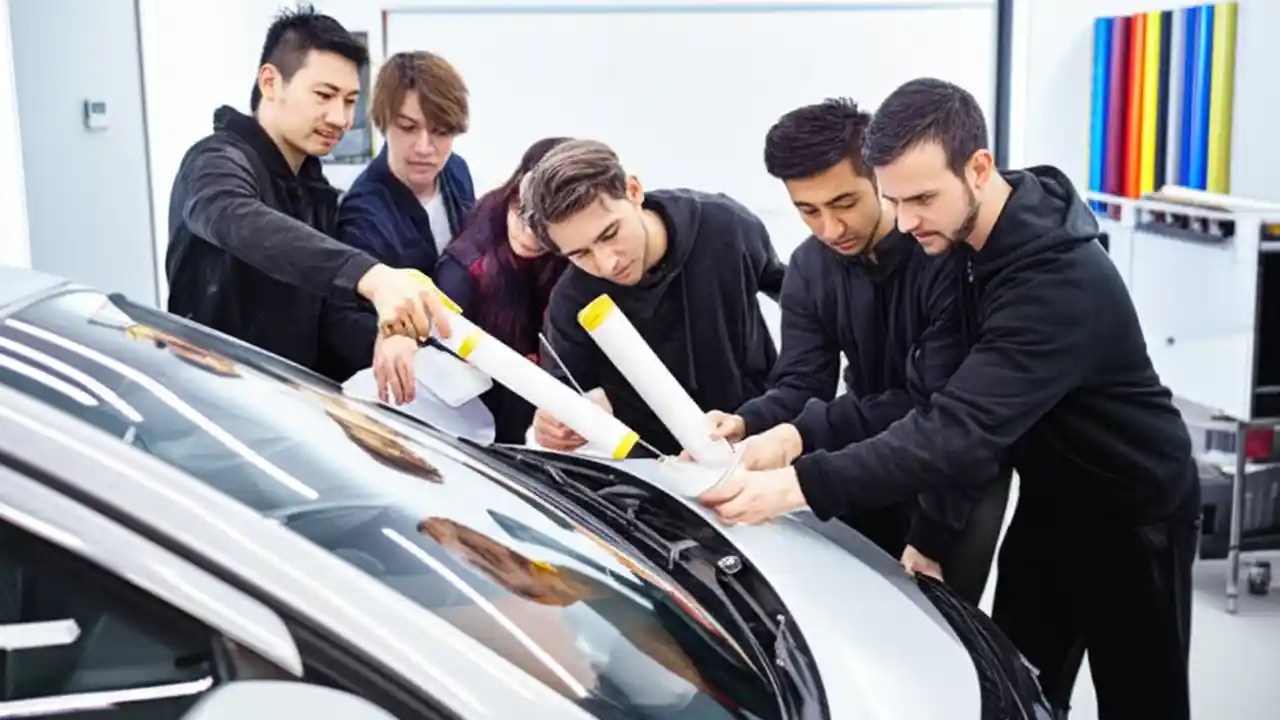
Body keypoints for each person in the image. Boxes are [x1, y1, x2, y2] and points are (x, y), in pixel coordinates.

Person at [699, 78, 1199, 720]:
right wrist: (781, 434)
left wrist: (796, 483)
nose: (905, 222)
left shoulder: (1054, 283)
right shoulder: (963, 244)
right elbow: (915, 397)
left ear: (979, 168)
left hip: (1135, 510)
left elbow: (951, 427)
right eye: (895, 200)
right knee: (1021, 683)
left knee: (1142, 700)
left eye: (923, 199)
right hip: (1048, 500)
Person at [698, 98, 1006, 602]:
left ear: (880, 181)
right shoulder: (809, 268)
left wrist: (930, 538)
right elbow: (801, 383)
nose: (829, 229)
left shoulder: (944, 254)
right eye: (808, 211)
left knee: (939, 628)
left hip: (954, 476)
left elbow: (941, 412)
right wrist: (746, 423)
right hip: (858, 458)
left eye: (845, 204)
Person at [165, 6, 452, 384]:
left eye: (349, 101)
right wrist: (372, 276)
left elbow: (326, 326)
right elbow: (230, 215)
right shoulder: (215, 160)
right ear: (270, 82)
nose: (341, 118)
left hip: (292, 407)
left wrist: (384, 337)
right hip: (211, 399)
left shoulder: (316, 193)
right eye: (324, 95)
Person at [522, 139, 786, 456]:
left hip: (760, 440)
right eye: (580, 254)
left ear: (633, 191)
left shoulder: (728, 227)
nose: (608, 263)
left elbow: (796, 295)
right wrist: (552, 423)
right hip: (656, 473)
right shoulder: (571, 302)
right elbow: (562, 391)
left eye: (610, 234)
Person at [433, 137, 572, 443]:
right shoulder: (466, 268)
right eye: (523, 212)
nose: (531, 234)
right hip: (477, 423)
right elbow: (444, 373)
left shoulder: (575, 257)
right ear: (514, 191)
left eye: (546, 226)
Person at [338, 50, 475, 276]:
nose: (424, 148)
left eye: (440, 132)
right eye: (408, 128)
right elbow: (354, 309)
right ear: (384, 123)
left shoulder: (456, 170)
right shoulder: (362, 215)